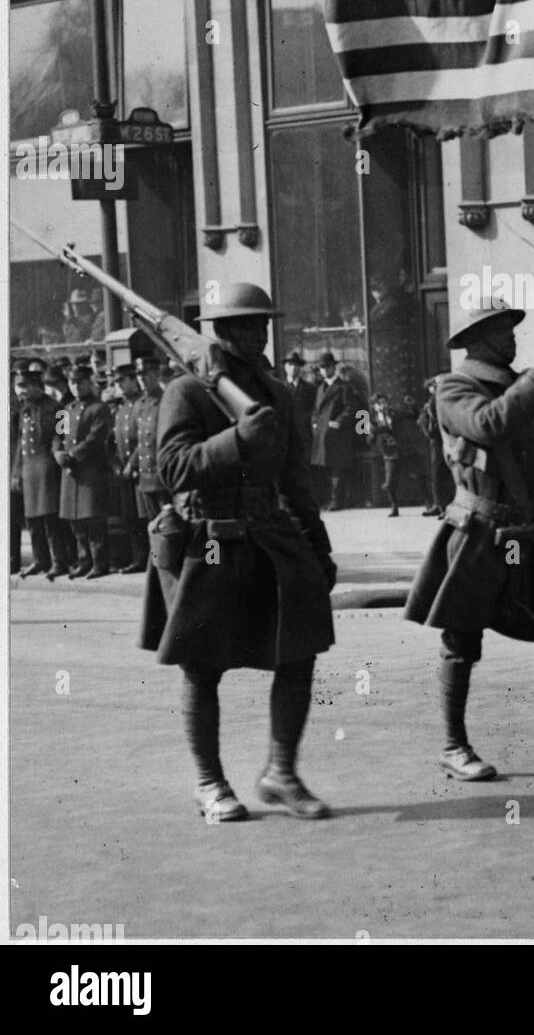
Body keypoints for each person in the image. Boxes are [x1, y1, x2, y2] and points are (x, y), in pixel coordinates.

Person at [139, 282, 337, 823]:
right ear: (220, 333)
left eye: (263, 325)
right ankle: (209, 781)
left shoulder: (277, 391)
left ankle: (281, 772)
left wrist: (318, 547)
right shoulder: (188, 390)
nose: (259, 334)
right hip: (211, 539)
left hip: (271, 535)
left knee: (298, 652)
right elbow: (174, 468)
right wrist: (238, 442)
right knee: (203, 667)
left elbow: (296, 480)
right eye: (246, 326)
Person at [405, 301, 534, 779]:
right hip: (478, 528)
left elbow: (531, 435)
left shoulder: (520, 382)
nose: (510, 336)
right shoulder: (454, 387)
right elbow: (489, 425)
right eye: (498, 330)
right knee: (461, 638)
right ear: (473, 340)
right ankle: (454, 746)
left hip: (527, 528)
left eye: (511, 328)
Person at [52, 363, 113, 581]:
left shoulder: (99, 408)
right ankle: (83, 560)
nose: (76, 387)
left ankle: (99, 562)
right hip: (70, 473)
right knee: (74, 519)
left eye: (80, 382)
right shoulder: (66, 410)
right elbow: (57, 436)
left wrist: (71, 456)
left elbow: (95, 439)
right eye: (72, 382)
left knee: (93, 519)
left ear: (89, 383)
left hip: (90, 471)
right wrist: (58, 453)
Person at [12, 368, 66, 579]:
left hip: (47, 467)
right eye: (20, 386)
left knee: (51, 519)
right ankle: (40, 560)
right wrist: (16, 472)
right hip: (29, 470)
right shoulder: (24, 410)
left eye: (25, 386)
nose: (22, 391)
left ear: (37, 385)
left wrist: (56, 452)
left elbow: (63, 434)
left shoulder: (58, 408)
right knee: (33, 520)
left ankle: (59, 561)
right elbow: (19, 445)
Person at [110, 362, 150, 577]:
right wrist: (117, 465)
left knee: (147, 517)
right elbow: (113, 442)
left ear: (134, 380)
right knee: (131, 518)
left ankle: (154, 559)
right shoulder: (121, 408)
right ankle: (139, 558)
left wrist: (131, 464)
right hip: (125, 472)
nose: (120, 385)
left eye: (123, 380)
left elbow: (145, 438)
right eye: (117, 382)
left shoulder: (143, 404)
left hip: (141, 469)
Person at [310, 353, 357, 512]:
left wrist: (338, 422)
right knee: (325, 470)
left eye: (327, 367)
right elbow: (316, 410)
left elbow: (351, 408)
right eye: (321, 367)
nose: (324, 370)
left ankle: (338, 501)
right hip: (322, 434)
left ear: (333, 367)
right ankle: (329, 500)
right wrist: (314, 422)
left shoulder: (344, 387)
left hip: (337, 434)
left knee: (337, 469)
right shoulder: (320, 388)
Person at [132, 355, 169, 542]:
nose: (142, 378)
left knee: (169, 525)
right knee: (152, 526)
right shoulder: (140, 404)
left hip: (161, 475)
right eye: (139, 374)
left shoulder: (166, 400)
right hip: (145, 476)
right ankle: (156, 566)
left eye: (145, 374)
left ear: (156, 374)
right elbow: (139, 441)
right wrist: (132, 465)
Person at [418, 377, 453, 518]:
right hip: (437, 440)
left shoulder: (440, 398)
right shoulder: (435, 399)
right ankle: (439, 504)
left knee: (441, 473)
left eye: (433, 386)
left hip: (442, 439)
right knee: (437, 473)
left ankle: (444, 506)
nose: (431, 389)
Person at [282, 351, 316, 458]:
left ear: (300, 367)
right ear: (285, 367)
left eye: (296, 365)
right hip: (285, 437)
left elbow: (314, 410)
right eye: (290, 365)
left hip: (304, 437)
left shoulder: (309, 389)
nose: (293, 368)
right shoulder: (279, 388)